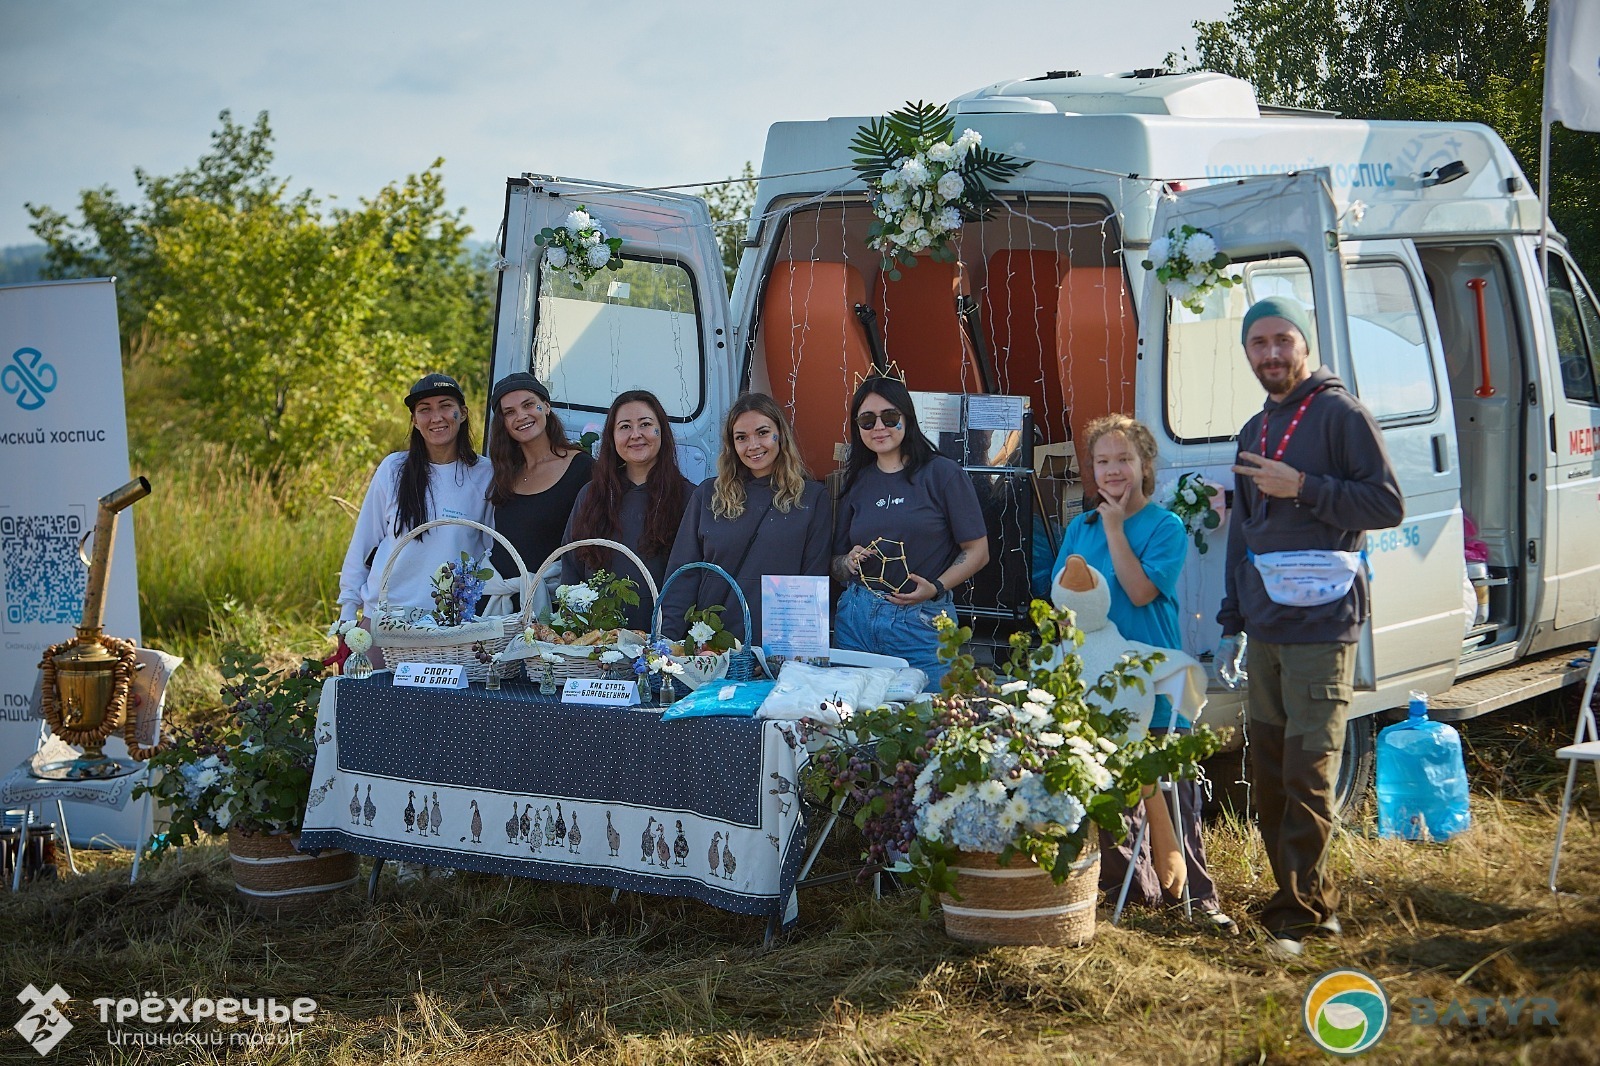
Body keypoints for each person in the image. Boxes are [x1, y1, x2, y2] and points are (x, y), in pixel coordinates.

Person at [1216, 296, 1404, 959]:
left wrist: (1304, 486)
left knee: (1309, 771)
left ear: (1305, 344)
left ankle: (1297, 916)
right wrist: (1231, 619)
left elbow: (1386, 504)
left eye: (1282, 340)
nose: (1270, 353)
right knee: (1268, 772)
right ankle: (1305, 899)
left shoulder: (1341, 414)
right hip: (1265, 624)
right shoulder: (1251, 430)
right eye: (1258, 343)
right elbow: (1243, 530)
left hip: (1324, 626)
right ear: (1246, 352)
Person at [1050, 413, 1236, 935]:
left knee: (1172, 794)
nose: (1112, 471)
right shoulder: (1077, 528)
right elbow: (1061, 601)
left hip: (1154, 681)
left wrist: (1114, 529)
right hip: (1096, 683)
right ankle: (1129, 898)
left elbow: (1139, 592)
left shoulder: (1165, 526)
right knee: (1111, 794)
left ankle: (1198, 899)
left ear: (1145, 465)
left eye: (1123, 460)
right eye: (1103, 461)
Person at [832, 376, 988, 684]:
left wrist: (936, 587)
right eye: (867, 420)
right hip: (857, 619)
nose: (879, 427)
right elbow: (835, 562)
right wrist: (847, 562)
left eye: (889, 417)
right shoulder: (857, 481)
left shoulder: (942, 474)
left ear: (907, 418)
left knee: (929, 722)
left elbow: (978, 551)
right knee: (851, 723)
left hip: (922, 624)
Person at [337, 373, 493, 664]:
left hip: (451, 629)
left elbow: (489, 553)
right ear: (414, 420)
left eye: (446, 406)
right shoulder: (393, 469)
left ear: (463, 414)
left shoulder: (485, 474)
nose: (437, 417)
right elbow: (364, 543)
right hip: (385, 621)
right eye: (425, 410)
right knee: (369, 705)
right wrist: (348, 611)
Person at [660, 393, 831, 646]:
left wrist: (791, 654)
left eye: (762, 433)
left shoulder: (812, 498)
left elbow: (812, 584)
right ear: (731, 444)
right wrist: (666, 644)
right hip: (711, 647)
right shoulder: (708, 496)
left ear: (780, 435)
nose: (753, 445)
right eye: (741, 437)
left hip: (775, 651)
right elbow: (683, 576)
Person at [560, 390, 692, 632]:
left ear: (661, 430)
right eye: (624, 427)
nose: (636, 435)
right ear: (611, 436)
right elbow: (570, 567)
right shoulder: (591, 496)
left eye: (645, 424)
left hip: (662, 641)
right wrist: (574, 629)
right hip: (596, 642)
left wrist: (667, 641)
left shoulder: (688, 498)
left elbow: (690, 580)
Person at [481, 372, 593, 611]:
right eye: (509, 412)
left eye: (529, 405)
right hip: (500, 607)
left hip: (552, 606)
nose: (521, 416)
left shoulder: (582, 468)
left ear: (547, 407)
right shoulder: (504, 472)